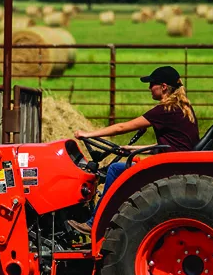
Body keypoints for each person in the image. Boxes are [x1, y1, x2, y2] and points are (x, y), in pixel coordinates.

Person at [66, 65, 200, 235]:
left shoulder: (164, 110)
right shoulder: (183, 108)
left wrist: (88, 134)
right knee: (117, 168)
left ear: (164, 87)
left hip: (169, 170)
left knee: (115, 169)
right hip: (176, 164)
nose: (149, 88)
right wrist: (133, 149)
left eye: (152, 84)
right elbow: (172, 146)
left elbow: (121, 127)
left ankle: (95, 223)